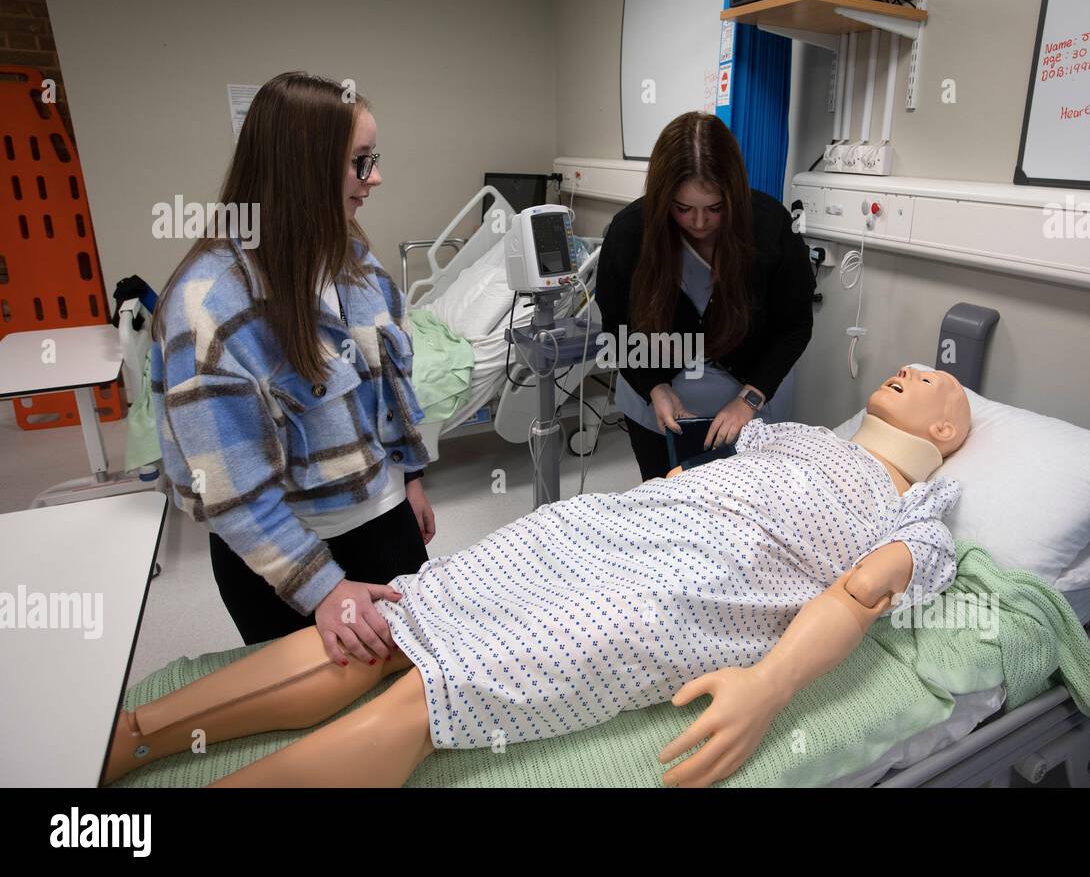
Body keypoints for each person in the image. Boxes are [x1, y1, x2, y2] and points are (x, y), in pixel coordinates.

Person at [104, 366, 971, 789]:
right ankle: (133, 736)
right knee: (400, 620)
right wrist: (663, 490)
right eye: (909, 365)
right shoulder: (793, 433)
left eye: (934, 382)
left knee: (442, 689)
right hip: (613, 526)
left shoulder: (920, 517)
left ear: (947, 430)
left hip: (687, 591)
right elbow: (687, 478)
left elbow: (856, 596)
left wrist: (769, 686)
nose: (911, 372)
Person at [149, 71, 436, 661]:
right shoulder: (209, 308)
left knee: (419, 680)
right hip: (292, 562)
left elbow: (390, 385)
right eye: (360, 161)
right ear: (304, 169)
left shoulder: (351, 258)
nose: (376, 177)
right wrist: (323, 588)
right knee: (327, 728)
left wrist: (409, 477)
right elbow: (228, 487)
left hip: (385, 524)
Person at [595, 111, 815, 480]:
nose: (698, 223)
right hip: (656, 409)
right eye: (682, 209)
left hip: (753, 407)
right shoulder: (631, 232)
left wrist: (749, 401)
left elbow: (794, 326)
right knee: (666, 508)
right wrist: (654, 388)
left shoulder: (769, 227)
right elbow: (615, 326)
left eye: (715, 208)